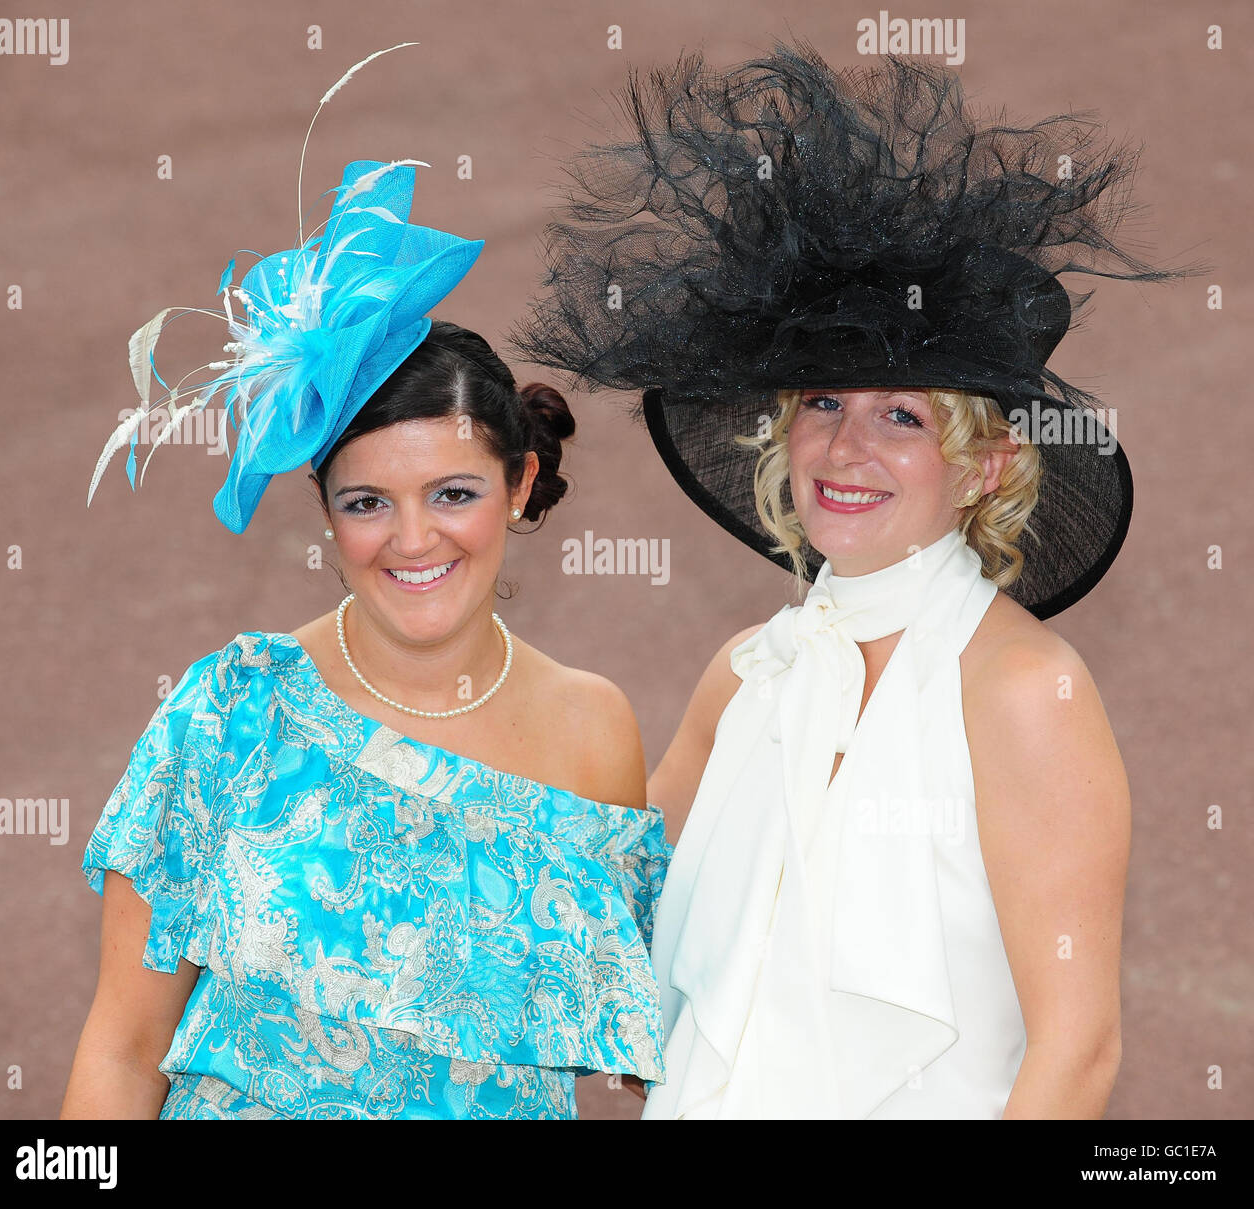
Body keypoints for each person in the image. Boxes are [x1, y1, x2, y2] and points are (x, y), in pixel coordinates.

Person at [511, 44, 1197, 1117]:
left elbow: (1076, 1058)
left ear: (985, 464)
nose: (843, 449)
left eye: (902, 417)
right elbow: (584, 923)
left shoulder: (1023, 694)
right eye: (822, 402)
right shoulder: (747, 675)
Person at [63, 47, 669, 1120]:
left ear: (521, 486)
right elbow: (120, 1052)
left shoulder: (594, 731)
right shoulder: (230, 714)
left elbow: (614, 1066)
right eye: (366, 502)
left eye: (452, 493)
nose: (410, 540)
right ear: (327, 513)